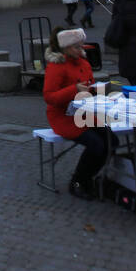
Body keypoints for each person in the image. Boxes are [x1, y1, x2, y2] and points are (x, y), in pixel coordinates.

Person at [42, 28, 113, 200]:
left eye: (81, 46)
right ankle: (79, 181)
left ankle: (89, 177)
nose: (80, 50)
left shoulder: (84, 63)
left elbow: (89, 86)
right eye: (76, 47)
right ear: (66, 48)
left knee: (112, 141)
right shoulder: (56, 66)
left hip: (83, 113)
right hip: (63, 117)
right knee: (97, 145)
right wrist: (74, 89)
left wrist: (95, 90)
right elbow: (49, 97)